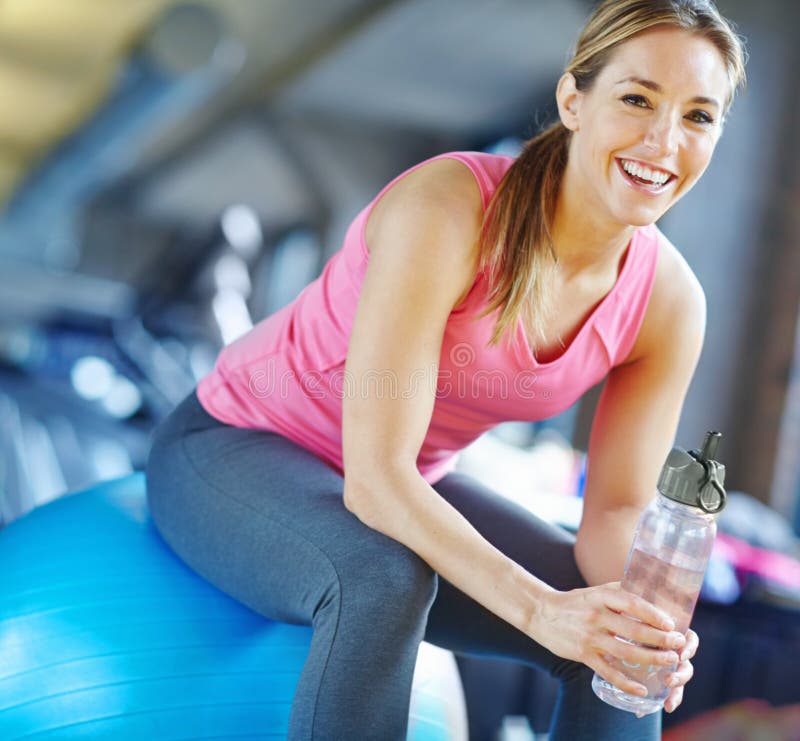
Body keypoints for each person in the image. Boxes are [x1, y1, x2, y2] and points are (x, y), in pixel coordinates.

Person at [145, 1, 747, 738]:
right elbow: (377, 477)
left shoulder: (670, 301)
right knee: (382, 578)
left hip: (407, 482)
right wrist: (540, 611)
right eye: (636, 99)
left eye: (698, 116)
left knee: (619, 640)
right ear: (573, 100)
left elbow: (618, 510)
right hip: (233, 448)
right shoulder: (449, 207)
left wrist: (645, 623)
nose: (663, 140)